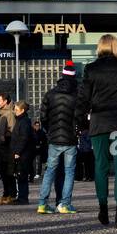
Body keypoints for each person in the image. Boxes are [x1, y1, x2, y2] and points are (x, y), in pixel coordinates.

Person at [78, 34, 117, 228]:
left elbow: (83, 99)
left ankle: (103, 207)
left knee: (101, 166)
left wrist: (81, 123)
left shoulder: (91, 69)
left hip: (99, 122)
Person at [38, 60, 81, 215]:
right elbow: (81, 117)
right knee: (69, 172)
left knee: (50, 171)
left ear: (62, 76)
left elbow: (43, 117)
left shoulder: (50, 94)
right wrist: (78, 132)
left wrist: (49, 132)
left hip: (54, 140)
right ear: (74, 77)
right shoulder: (77, 95)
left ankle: (42, 204)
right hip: (70, 139)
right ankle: (64, 204)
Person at [0, 92, 18, 205]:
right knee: (4, 172)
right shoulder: (3, 113)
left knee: (8, 172)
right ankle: (6, 194)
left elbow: (12, 131)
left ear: (5, 101)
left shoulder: (9, 114)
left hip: (7, 147)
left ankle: (10, 195)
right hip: (3, 146)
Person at [10, 102, 34, 204]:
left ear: (22, 110)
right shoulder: (21, 120)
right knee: (20, 175)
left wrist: (18, 151)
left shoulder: (24, 121)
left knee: (22, 175)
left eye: (16, 109)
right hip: (22, 152)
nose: (14, 111)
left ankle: (23, 198)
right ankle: (21, 197)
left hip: (23, 153)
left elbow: (24, 138)